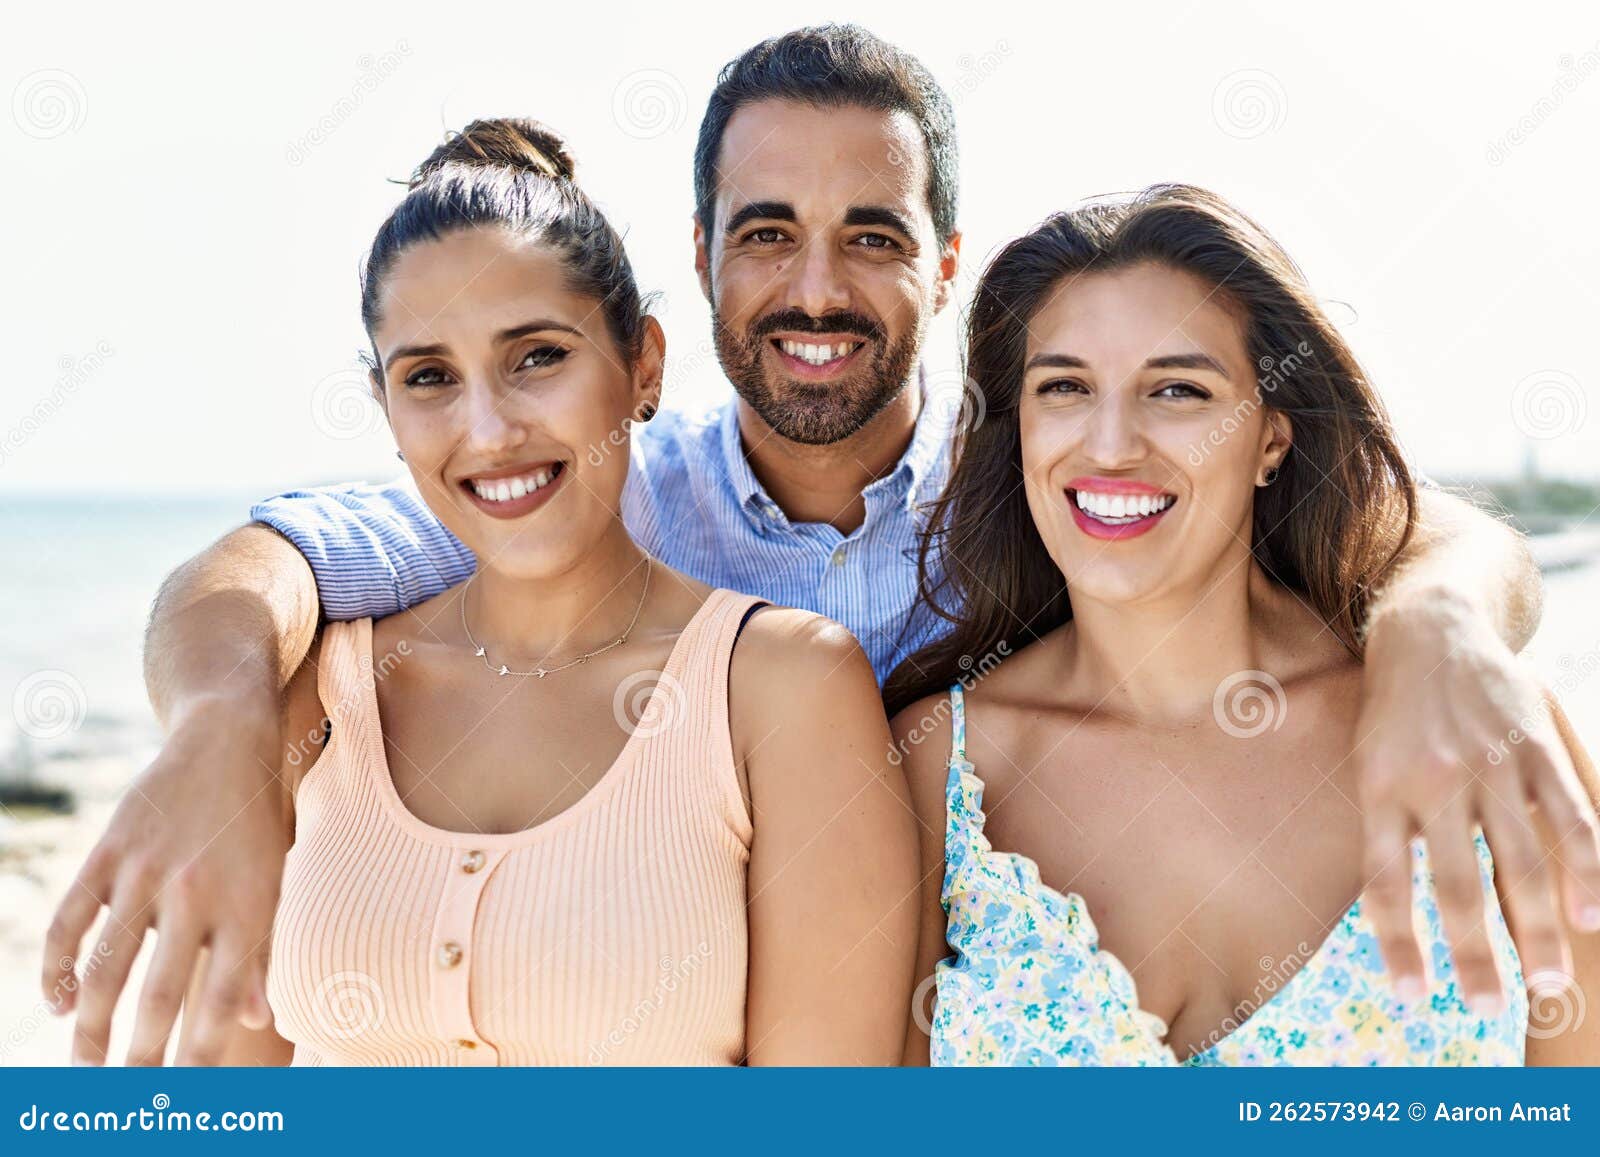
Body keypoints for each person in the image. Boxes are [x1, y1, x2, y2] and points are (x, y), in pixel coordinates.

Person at [45, 26, 1596, 1067]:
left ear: (945, 260)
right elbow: (277, 555)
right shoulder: (584, 490)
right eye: (768, 230)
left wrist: (1448, 629)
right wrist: (216, 725)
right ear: (702, 261)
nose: (815, 284)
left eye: (872, 232)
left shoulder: (1057, 482)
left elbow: (1409, 526)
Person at [174, 116, 915, 1064]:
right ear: (388, 412)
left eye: (538, 357)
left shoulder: (785, 689)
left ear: (643, 366)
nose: (488, 432)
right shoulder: (318, 695)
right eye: (431, 377)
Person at [891, 186, 1600, 1066]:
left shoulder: (1474, 720)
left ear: (1270, 436)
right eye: (1065, 386)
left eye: (1179, 390)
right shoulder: (939, 768)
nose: (1110, 443)